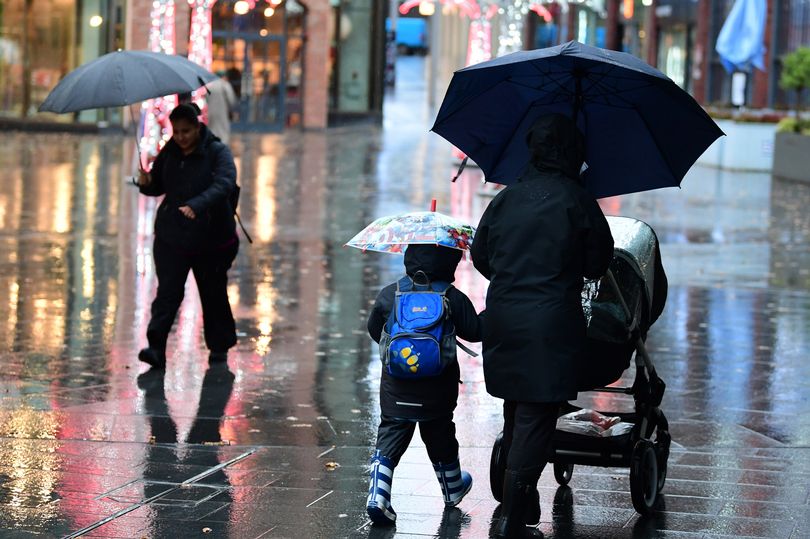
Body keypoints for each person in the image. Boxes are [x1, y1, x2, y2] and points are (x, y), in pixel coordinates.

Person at [470, 113, 614, 538]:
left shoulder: (506, 198)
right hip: (550, 321)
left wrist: (513, 275)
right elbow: (597, 263)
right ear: (573, 153)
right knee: (535, 413)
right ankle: (514, 516)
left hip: (503, 316)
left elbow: (481, 256)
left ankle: (522, 499)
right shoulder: (576, 199)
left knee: (517, 404)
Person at [365, 244, 483, 526]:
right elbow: (476, 331)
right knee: (440, 432)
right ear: (449, 260)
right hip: (437, 389)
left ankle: (378, 495)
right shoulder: (452, 297)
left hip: (397, 389)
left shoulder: (390, 294)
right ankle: (453, 488)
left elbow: (374, 329)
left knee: (391, 434)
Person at [136, 102, 239, 369]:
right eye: (177, 131)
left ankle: (219, 349)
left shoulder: (217, 151)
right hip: (173, 237)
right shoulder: (169, 152)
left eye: (186, 131)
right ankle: (155, 347)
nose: (181, 137)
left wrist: (198, 204)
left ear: (197, 127)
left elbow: (225, 183)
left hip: (211, 239)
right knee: (167, 294)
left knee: (213, 293)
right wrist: (145, 183)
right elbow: (158, 185)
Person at [205, 73, 238, 144]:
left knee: (212, 129)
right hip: (223, 112)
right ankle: (221, 147)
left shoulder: (210, 85)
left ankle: (213, 144)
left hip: (211, 112)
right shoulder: (225, 85)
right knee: (223, 130)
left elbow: (206, 99)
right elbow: (231, 100)